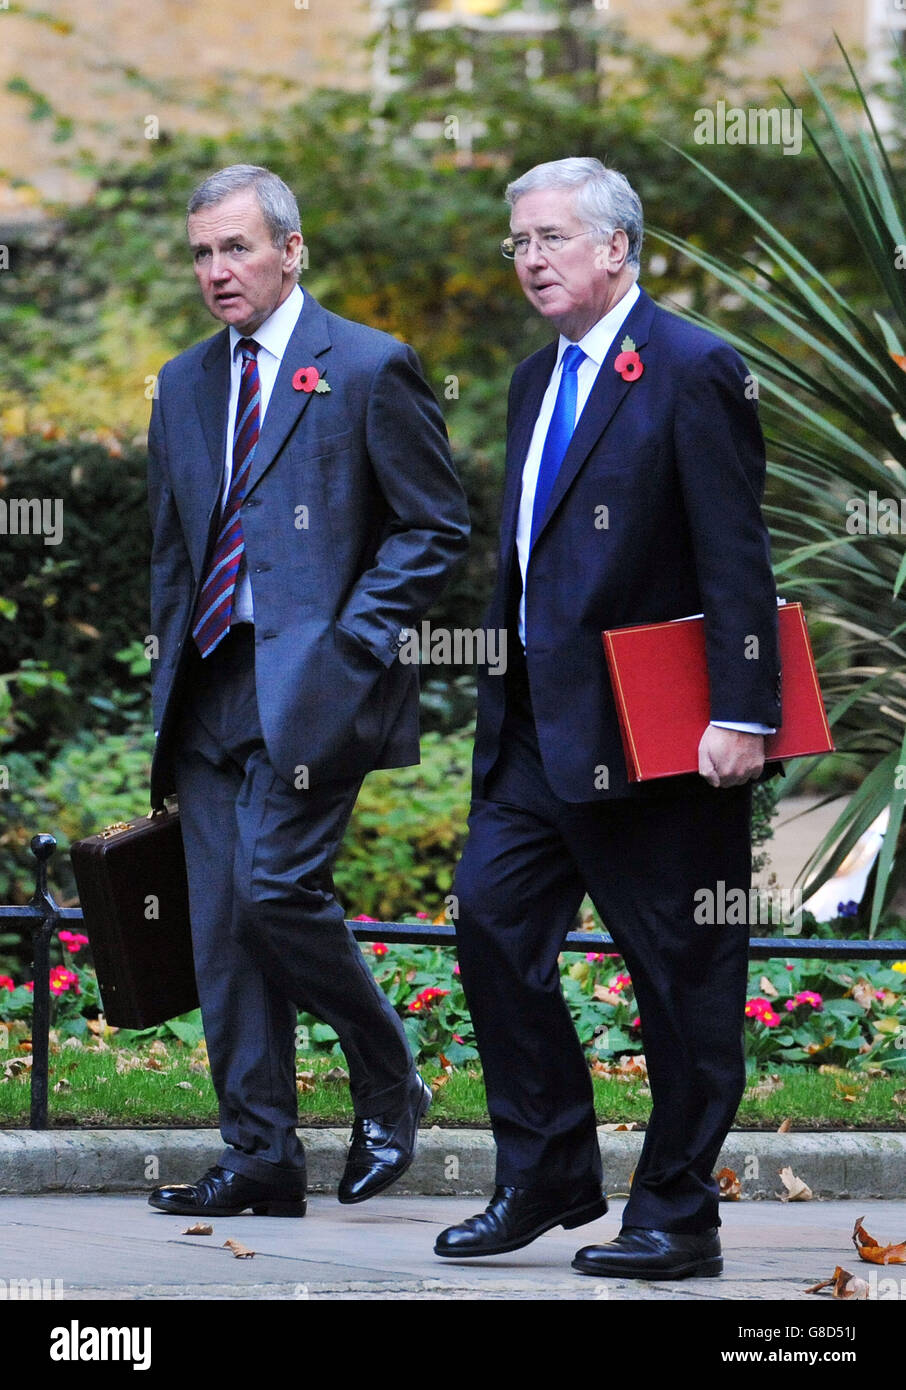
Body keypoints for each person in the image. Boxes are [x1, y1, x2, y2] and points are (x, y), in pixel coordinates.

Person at [434, 157, 780, 1278]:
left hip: (660, 733)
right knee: (489, 924)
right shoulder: (536, 379)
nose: (529, 258)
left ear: (616, 247)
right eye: (517, 242)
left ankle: (677, 1216)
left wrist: (742, 708)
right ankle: (546, 1174)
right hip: (537, 730)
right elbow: (528, 560)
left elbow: (736, 553)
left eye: (549, 238)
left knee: (680, 977)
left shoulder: (692, 366)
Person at [144, 164, 469, 1218]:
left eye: (235, 248)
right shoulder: (184, 383)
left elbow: (433, 528)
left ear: (293, 250)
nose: (216, 271)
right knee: (224, 930)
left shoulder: (371, 367)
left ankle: (389, 1078)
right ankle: (260, 1156)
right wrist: (165, 671)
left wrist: (353, 643)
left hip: (315, 687)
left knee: (276, 890)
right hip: (206, 689)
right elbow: (171, 549)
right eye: (201, 253)